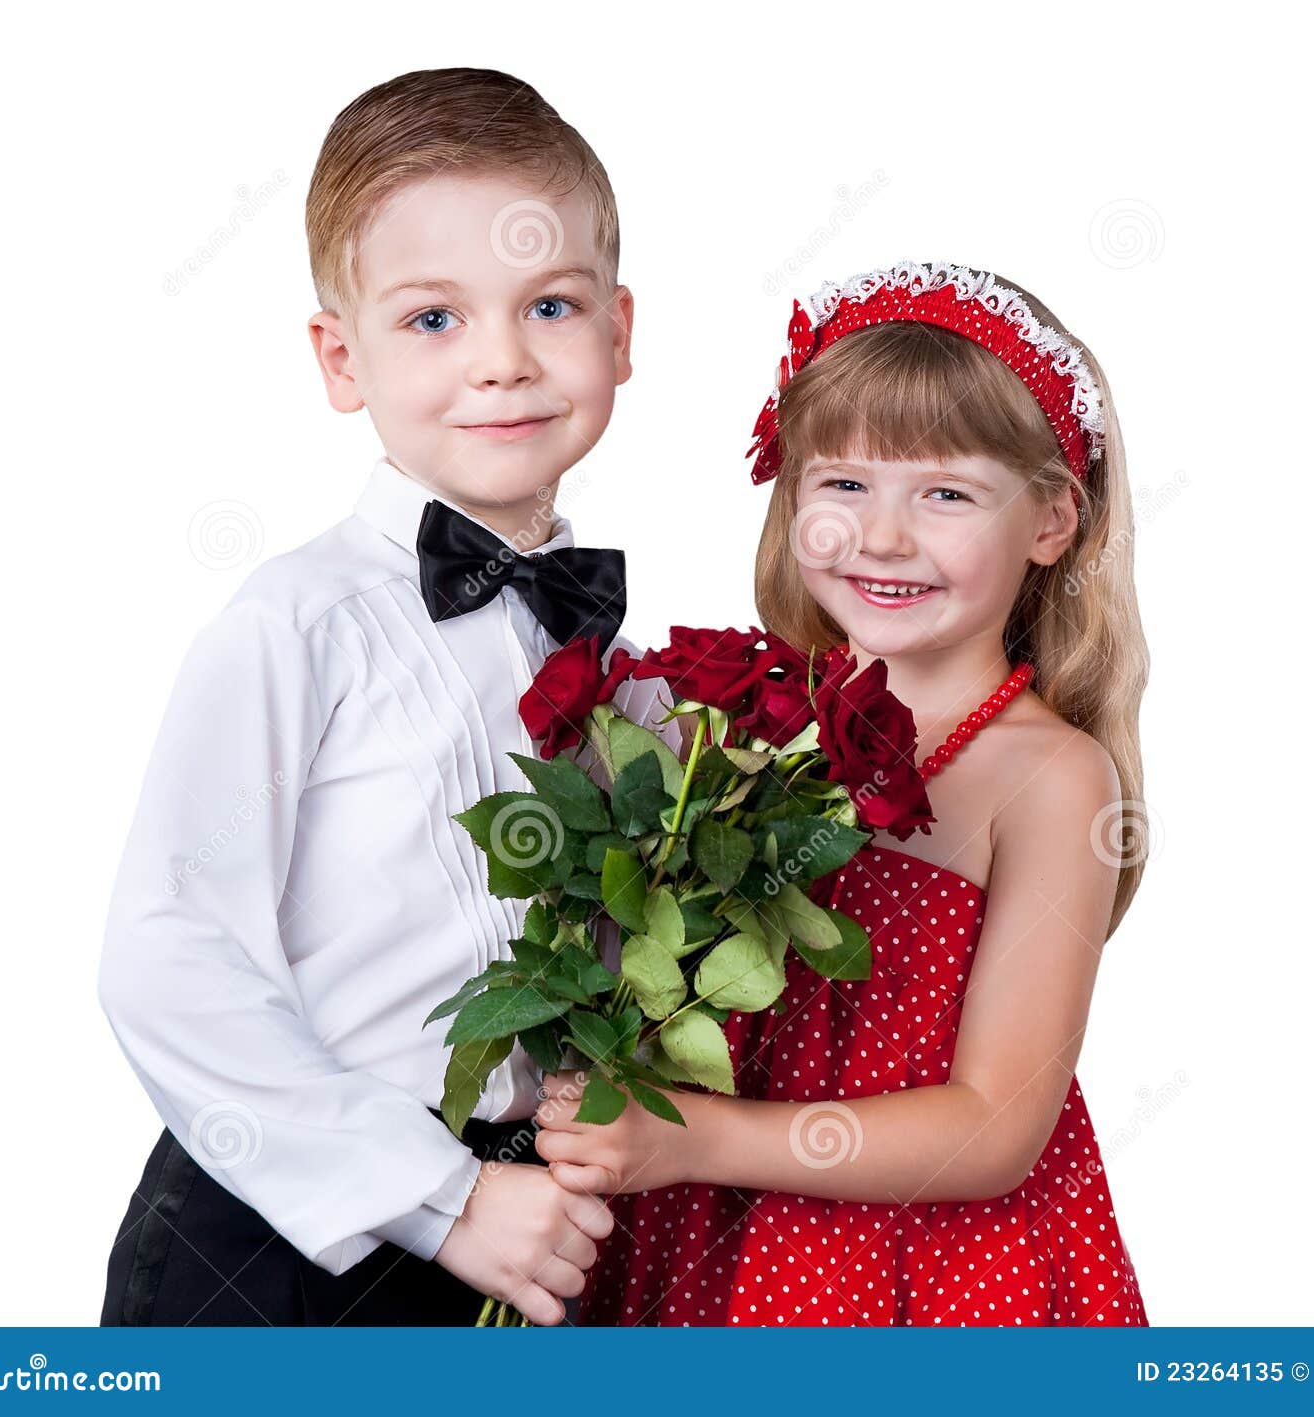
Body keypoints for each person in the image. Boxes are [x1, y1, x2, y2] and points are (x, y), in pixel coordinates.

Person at [98, 67, 671, 1327]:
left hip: (536, 1224)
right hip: (290, 1239)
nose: (504, 363)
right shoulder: (292, 625)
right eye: (433, 319)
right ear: (338, 355)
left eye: (552, 305)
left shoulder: (625, 671)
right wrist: (445, 1196)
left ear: (620, 333)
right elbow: (168, 956)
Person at [536, 261, 1152, 1326]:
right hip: (700, 1231)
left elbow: (996, 1123)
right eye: (845, 483)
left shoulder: (1050, 778)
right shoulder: (743, 731)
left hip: (911, 1266)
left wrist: (704, 1139)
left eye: (946, 493)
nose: (882, 535)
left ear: (1051, 519)